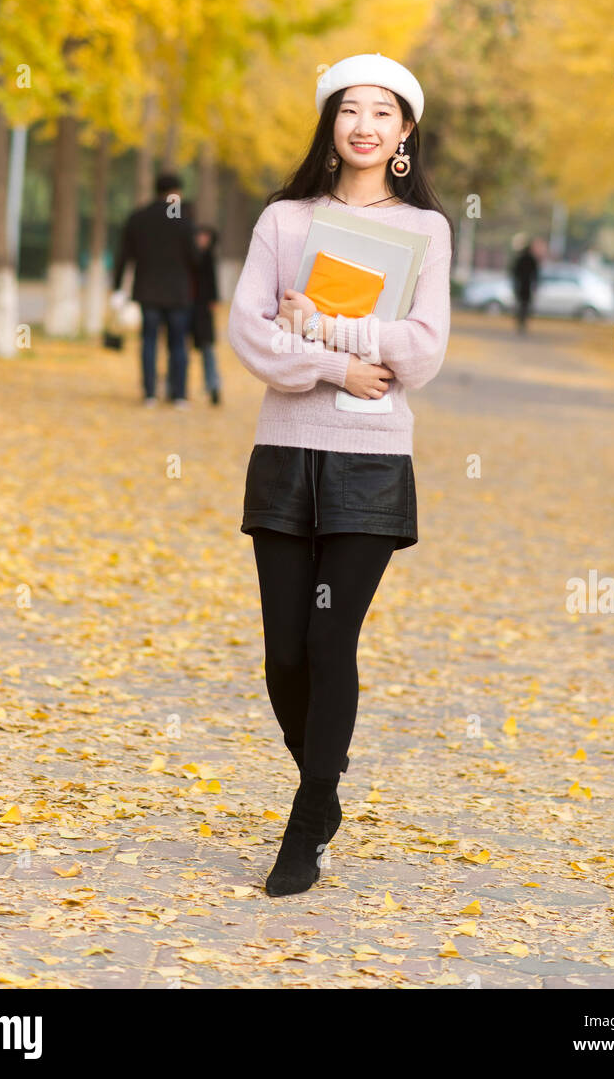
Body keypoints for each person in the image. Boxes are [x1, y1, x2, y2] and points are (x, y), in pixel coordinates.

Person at [227, 53, 453, 897]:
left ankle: (306, 818)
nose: (363, 125)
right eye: (348, 110)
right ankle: (323, 789)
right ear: (330, 126)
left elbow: (422, 352)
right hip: (286, 454)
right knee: (283, 654)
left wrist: (316, 326)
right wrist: (339, 362)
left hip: (371, 461)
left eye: (381, 113)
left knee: (330, 639)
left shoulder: (425, 231)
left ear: (403, 135)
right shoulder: (284, 222)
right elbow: (250, 336)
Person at [111, 171, 200, 407]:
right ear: (176, 192)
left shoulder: (139, 217)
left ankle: (150, 393)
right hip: (177, 293)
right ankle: (178, 394)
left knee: (148, 341)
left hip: (147, 290)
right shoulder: (183, 218)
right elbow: (195, 257)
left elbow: (124, 256)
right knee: (178, 344)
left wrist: (117, 288)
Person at [189, 224, 222, 405]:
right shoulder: (188, 255)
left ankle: (213, 386)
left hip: (203, 310)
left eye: (206, 237)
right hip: (186, 306)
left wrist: (213, 302)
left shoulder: (209, 257)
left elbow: (213, 282)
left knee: (207, 349)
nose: (202, 240)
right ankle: (176, 387)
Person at [510, 233, 539, 331]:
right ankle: (522, 322)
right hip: (526, 285)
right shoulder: (530, 259)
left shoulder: (521, 259)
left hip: (522, 284)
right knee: (524, 305)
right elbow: (535, 274)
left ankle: (521, 322)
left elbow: (514, 272)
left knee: (521, 304)